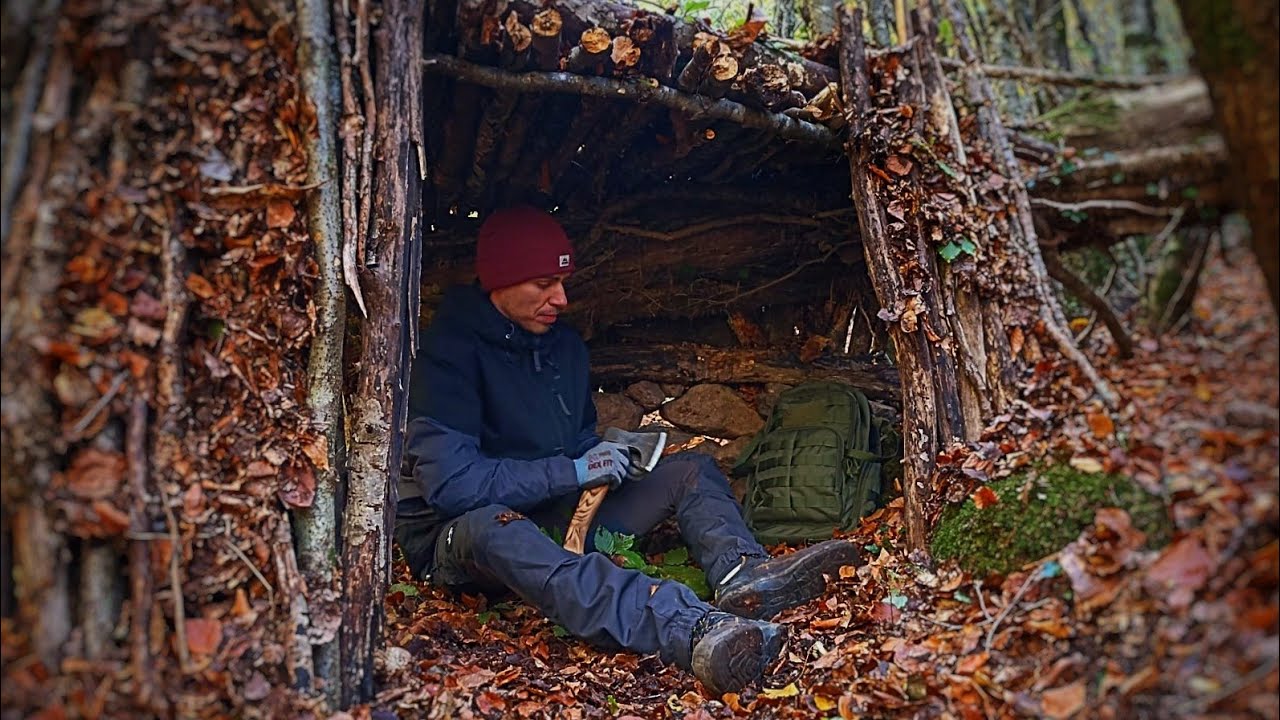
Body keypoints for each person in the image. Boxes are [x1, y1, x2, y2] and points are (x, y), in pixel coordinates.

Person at [395, 206, 860, 696]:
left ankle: (744, 577)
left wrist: (606, 460)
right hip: (460, 539)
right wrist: (571, 470)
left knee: (691, 470)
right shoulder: (445, 356)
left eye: (563, 281)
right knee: (497, 527)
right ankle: (692, 629)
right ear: (499, 282)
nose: (562, 298)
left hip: (550, 512)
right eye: (543, 283)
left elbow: (573, 442)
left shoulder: (564, 349)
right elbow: (454, 488)